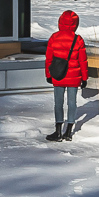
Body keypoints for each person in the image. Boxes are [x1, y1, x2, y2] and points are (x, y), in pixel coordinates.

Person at [42, 9, 87, 142]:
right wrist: (84, 78)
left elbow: (48, 59)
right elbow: (83, 61)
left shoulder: (54, 37)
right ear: (75, 24)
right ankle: (68, 132)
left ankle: (57, 131)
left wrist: (48, 74)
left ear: (60, 22)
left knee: (58, 103)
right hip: (74, 76)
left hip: (58, 75)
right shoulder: (78, 39)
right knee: (72, 102)